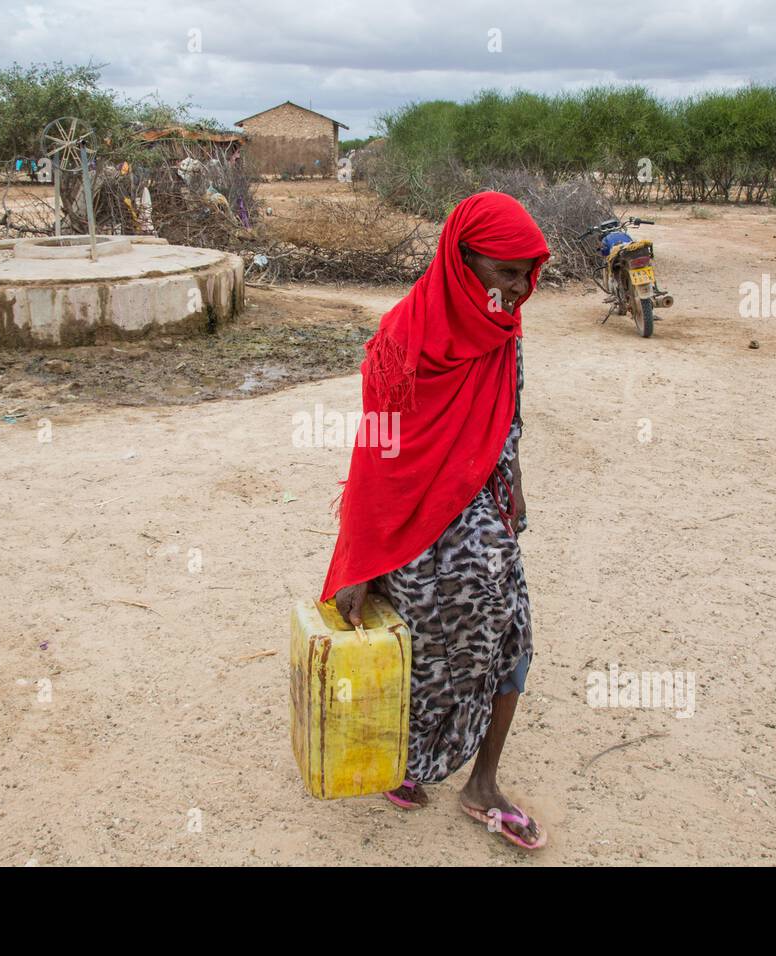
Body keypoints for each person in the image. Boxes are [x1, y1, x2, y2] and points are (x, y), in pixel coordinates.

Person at [321, 191, 549, 850]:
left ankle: (482, 785)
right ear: (462, 258)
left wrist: (517, 489)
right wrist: (359, 562)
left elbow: (510, 413)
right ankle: (404, 765)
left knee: (512, 646)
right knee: (425, 662)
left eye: (529, 273)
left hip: (491, 523)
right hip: (423, 539)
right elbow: (379, 457)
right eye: (507, 272)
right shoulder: (402, 340)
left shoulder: (503, 325)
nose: (520, 288)